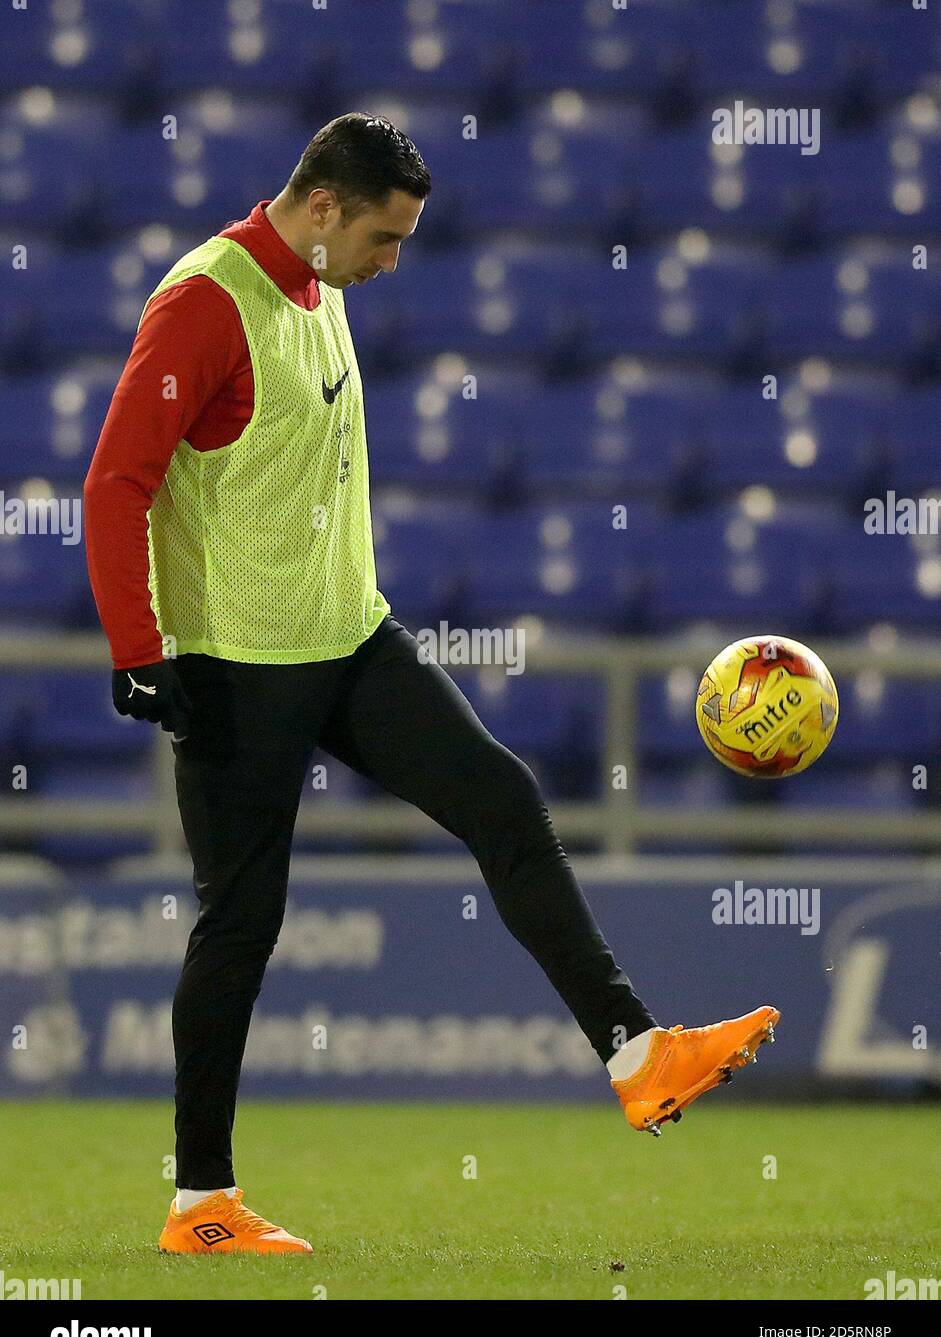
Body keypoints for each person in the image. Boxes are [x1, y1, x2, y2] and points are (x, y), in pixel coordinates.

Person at [84, 112, 779, 1256]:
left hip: (349, 640)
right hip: (236, 669)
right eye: (384, 236)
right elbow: (116, 482)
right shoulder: (205, 302)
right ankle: (199, 1202)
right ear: (320, 209)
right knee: (241, 923)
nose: (391, 260)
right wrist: (137, 648)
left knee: (502, 800)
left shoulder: (319, 287)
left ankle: (637, 1053)